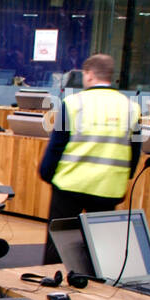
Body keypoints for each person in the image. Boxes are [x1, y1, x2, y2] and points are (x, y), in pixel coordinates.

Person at [39, 53, 141, 264]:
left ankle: (52, 285)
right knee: (101, 247)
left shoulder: (73, 103)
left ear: (89, 74)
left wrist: (47, 174)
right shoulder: (133, 108)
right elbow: (134, 151)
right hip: (108, 187)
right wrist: (123, 179)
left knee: (59, 244)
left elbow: (57, 145)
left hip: (70, 184)